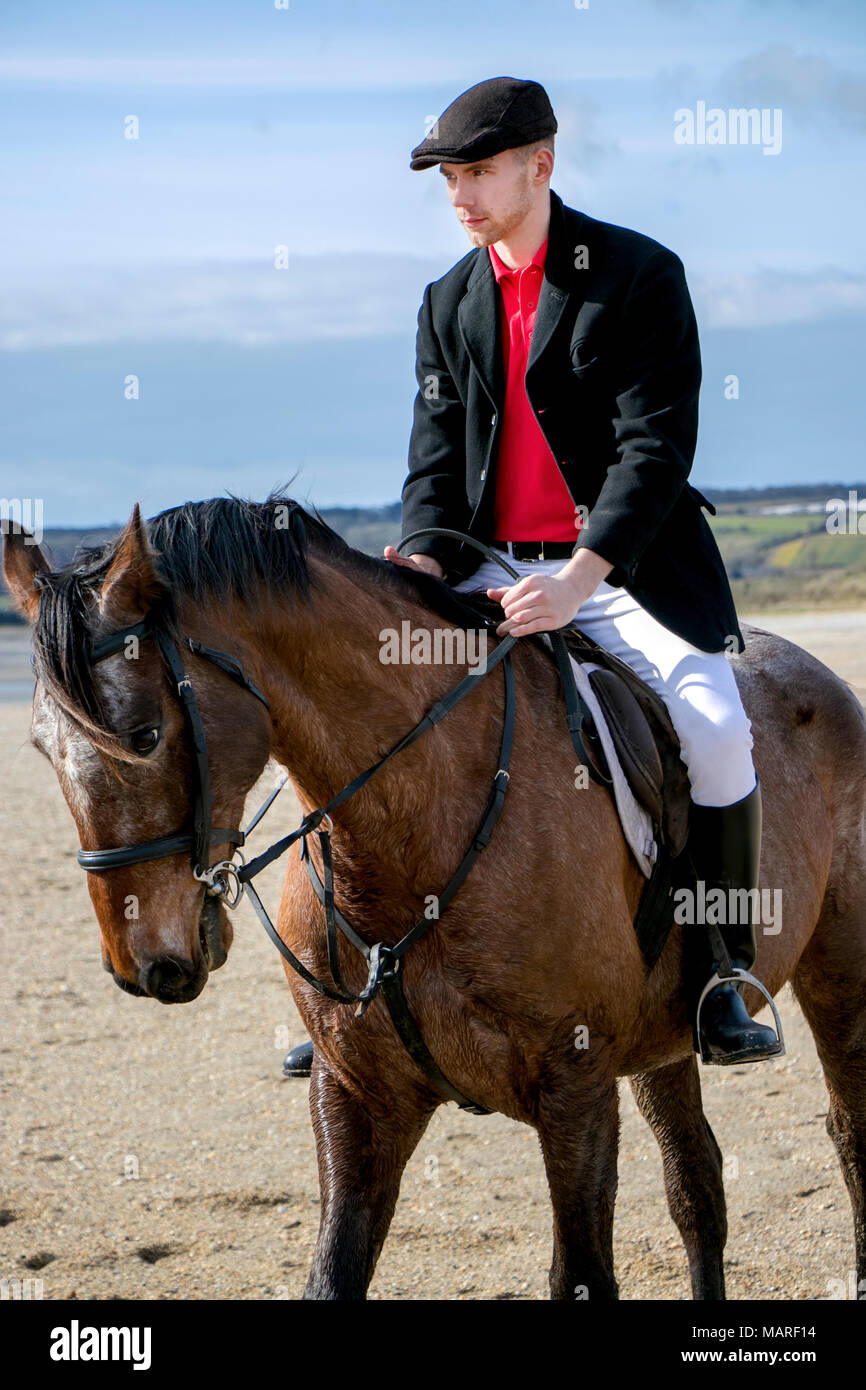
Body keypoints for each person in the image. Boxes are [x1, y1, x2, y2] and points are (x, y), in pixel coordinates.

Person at [283, 75, 782, 1080]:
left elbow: (653, 455)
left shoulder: (636, 275)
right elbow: (432, 465)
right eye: (447, 177)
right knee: (357, 701)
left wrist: (577, 578)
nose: (458, 193)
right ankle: (348, 981)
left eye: (476, 170)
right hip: (488, 568)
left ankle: (724, 974)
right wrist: (420, 559)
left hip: (624, 569)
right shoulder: (446, 302)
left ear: (539, 164)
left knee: (719, 731)